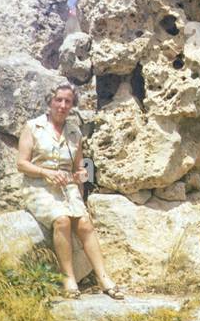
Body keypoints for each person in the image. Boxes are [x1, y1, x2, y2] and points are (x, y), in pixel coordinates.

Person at [16, 83, 125, 300]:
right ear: (50, 101)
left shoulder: (74, 131)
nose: (63, 105)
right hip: (38, 186)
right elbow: (21, 163)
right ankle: (68, 278)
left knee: (84, 223)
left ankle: (103, 277)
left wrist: (82, 176)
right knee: (62, 220)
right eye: (59, 100)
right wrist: (45, 172)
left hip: (67, 188)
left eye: (68, 101)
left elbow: (80, 166)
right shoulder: (33, 127)